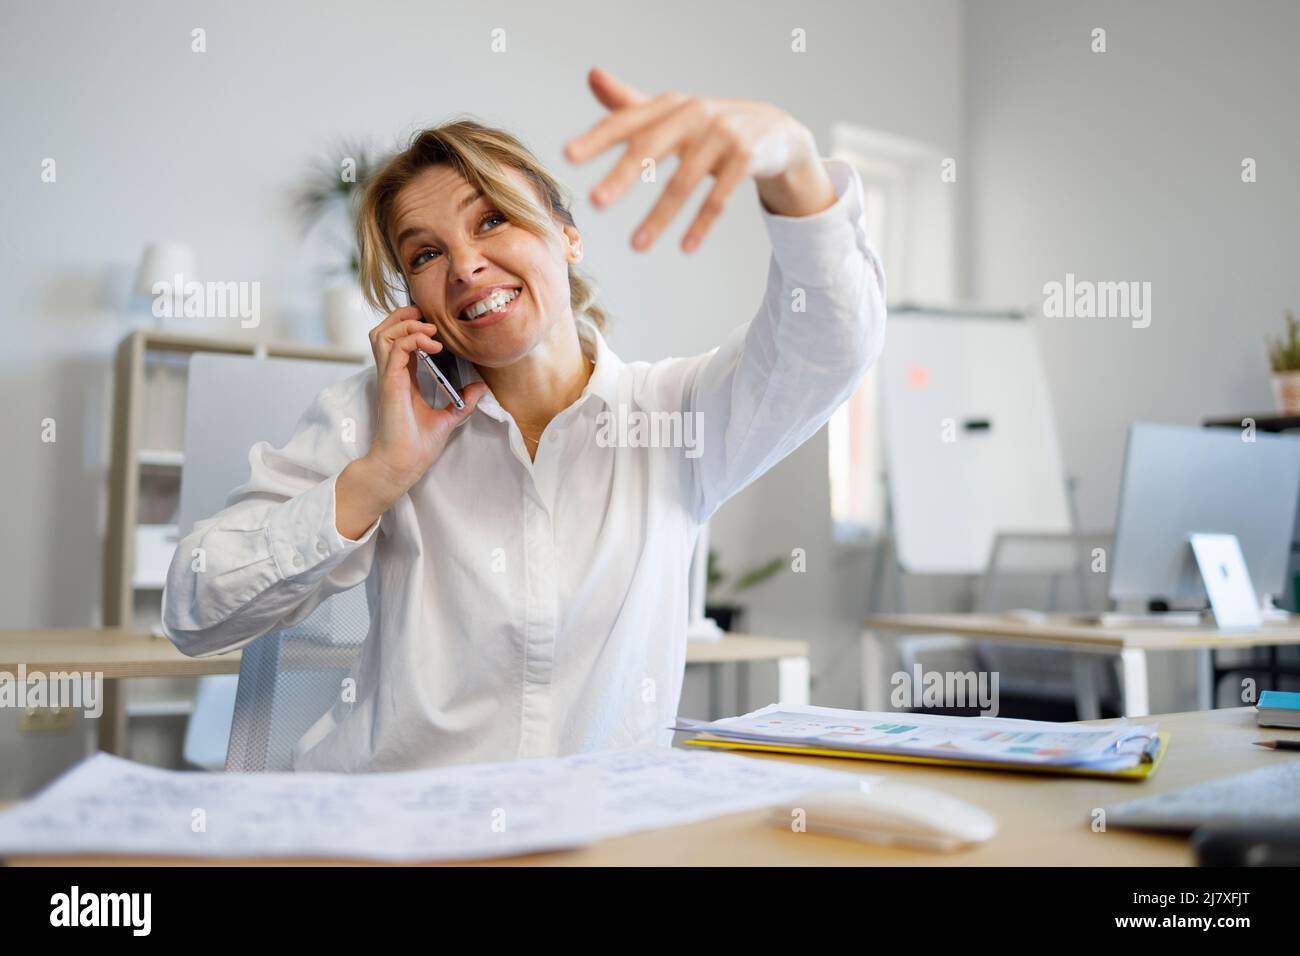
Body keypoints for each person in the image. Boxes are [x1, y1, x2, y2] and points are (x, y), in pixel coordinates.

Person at [162, 67, 887, 772]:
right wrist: (379, 477)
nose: (467, 267)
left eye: (493, 220)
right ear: (412, 297)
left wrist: (792, 162)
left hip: (589, 839)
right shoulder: (378, 416)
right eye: (427, 253)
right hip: (398, 834)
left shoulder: (676, 416)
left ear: (567, 237)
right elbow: (195, 608)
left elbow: (829, 342)